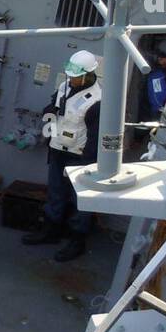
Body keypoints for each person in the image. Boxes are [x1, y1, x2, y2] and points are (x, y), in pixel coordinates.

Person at [24, 49, 101, 262]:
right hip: (58, 150)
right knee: (55, 192)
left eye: (75, 76)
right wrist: (48, 128)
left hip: (79, 156)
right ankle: (51, 231)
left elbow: (95, 135)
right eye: (70, 75)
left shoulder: (96, 101)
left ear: (87, 75)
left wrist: (88, 162)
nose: (71, 79)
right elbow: (53, 108)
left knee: (80, 200)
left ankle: (77, 241)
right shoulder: (64, 87)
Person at [145, 36, 166, 115]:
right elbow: (158, 101)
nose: (159, 59)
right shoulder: (156, 78)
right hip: (159, 115)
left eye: (163, 56)